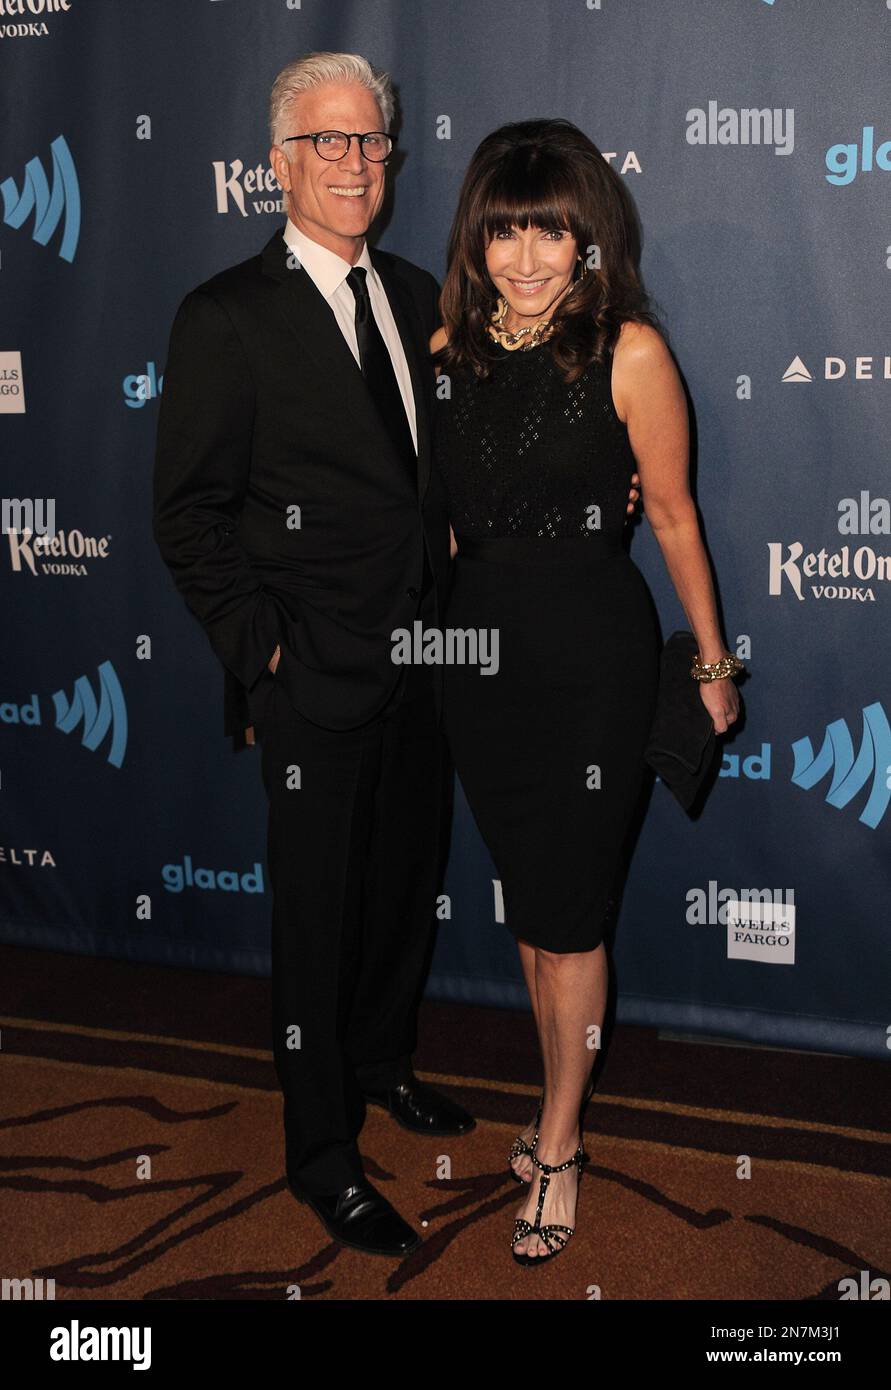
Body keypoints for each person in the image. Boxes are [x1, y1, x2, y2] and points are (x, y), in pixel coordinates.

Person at [152, 52, 480, 1259]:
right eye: (328, 143)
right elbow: (186, 513)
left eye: (370, 143)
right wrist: (266, 655)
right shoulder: (224, 317)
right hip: (311, 678)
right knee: (317, 916)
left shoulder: (413, 293)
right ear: (279, 164)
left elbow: (424, 483)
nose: (354, 163)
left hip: (423, 664)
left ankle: (384, 1062)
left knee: (401, 888)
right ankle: (320, 1151)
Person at [430, 118, 743, 1265]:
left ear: (587, 238)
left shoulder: (631, 351)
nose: (524, 255)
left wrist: (710, 665)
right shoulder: (446, 349)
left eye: (548, 230)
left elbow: (670, 517)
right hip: (479, 662)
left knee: (570, 921)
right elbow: (447, 521)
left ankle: (561, 1136)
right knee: (530, 910)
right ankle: (554, 1093)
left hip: (592, 664)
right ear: (478, 234)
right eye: (505, 229)